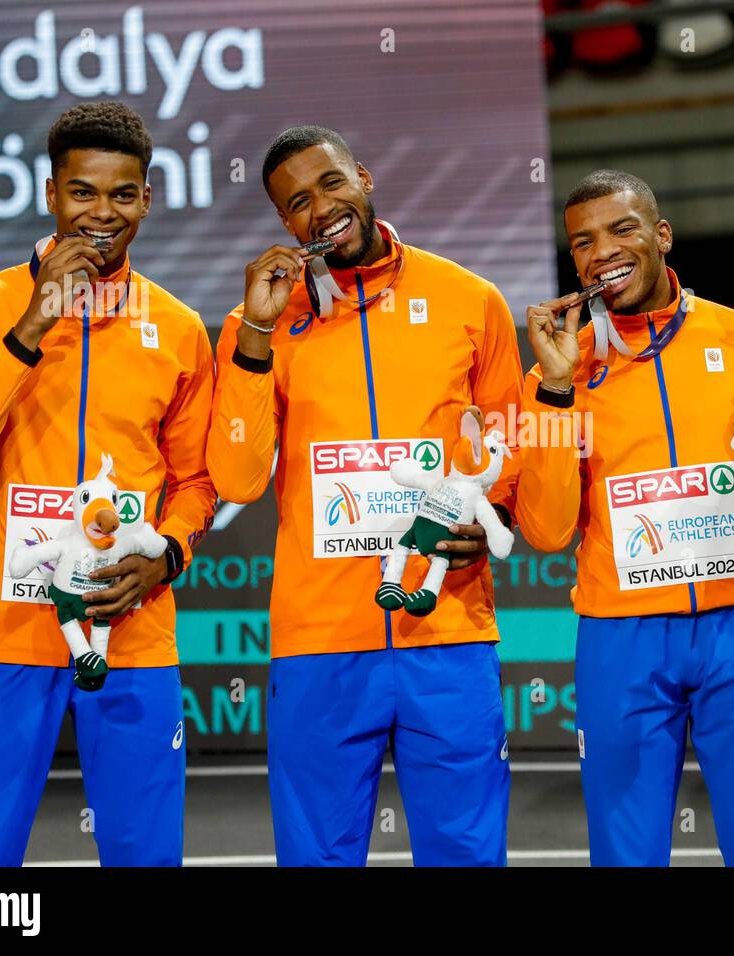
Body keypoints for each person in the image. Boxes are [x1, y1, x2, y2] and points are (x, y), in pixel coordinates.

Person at [206, 126, 523, 866]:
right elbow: (237, 477)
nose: (321, 208)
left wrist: (497, 514)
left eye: (331, 184)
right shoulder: (259, 325)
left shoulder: (469, 300)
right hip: (319, 641)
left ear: (365, 176)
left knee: (467, 853)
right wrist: (255, 330)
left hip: (446, 628)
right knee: (317, 856)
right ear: (286, 224)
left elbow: (509, 441)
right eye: (297, 203)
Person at [517, 169, 734, 866]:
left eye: (622, 229)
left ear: (662, 235)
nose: (602, 252)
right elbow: (546, 531)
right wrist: (552, 388)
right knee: (626, 853)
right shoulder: (556, 376)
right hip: (622, 638)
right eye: (583, 243)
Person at [0, 101, 216, 866]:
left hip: (133, 629)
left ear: (147, 200)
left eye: (123, 194)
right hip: (6, 636)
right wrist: (34, 324)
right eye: (83, 192)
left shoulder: (179, 329)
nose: (102, 213)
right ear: (51, 194)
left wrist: (170, 554)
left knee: (144, 855)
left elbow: (196, 482)